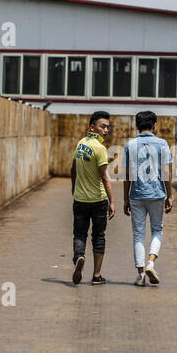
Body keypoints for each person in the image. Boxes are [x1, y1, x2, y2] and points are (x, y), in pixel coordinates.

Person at [122, 111, 173, 287]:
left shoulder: (130, 145)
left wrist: (125, 199)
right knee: (157, 230)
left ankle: (141, 273)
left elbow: (127, 175)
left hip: (136, 195)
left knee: (138, 234)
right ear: (155, 125)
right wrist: (170, 195)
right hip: (157, 194)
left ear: (137, 126)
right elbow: (166, 172)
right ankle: (151, 263)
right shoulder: (162, 144)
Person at [71, 111, 115, 285]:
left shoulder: (80, 144)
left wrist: (74, 190)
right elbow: (105, 177)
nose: (105, 130)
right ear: (92, 127)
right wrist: (112, 202)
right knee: (98, 236)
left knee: (80, 233)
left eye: (107, 127)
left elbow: (73, 170)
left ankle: (79, 256)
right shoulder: (100, 148)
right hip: (98, 200)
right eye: (102, 126)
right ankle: (97, 275)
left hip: (80, 199)